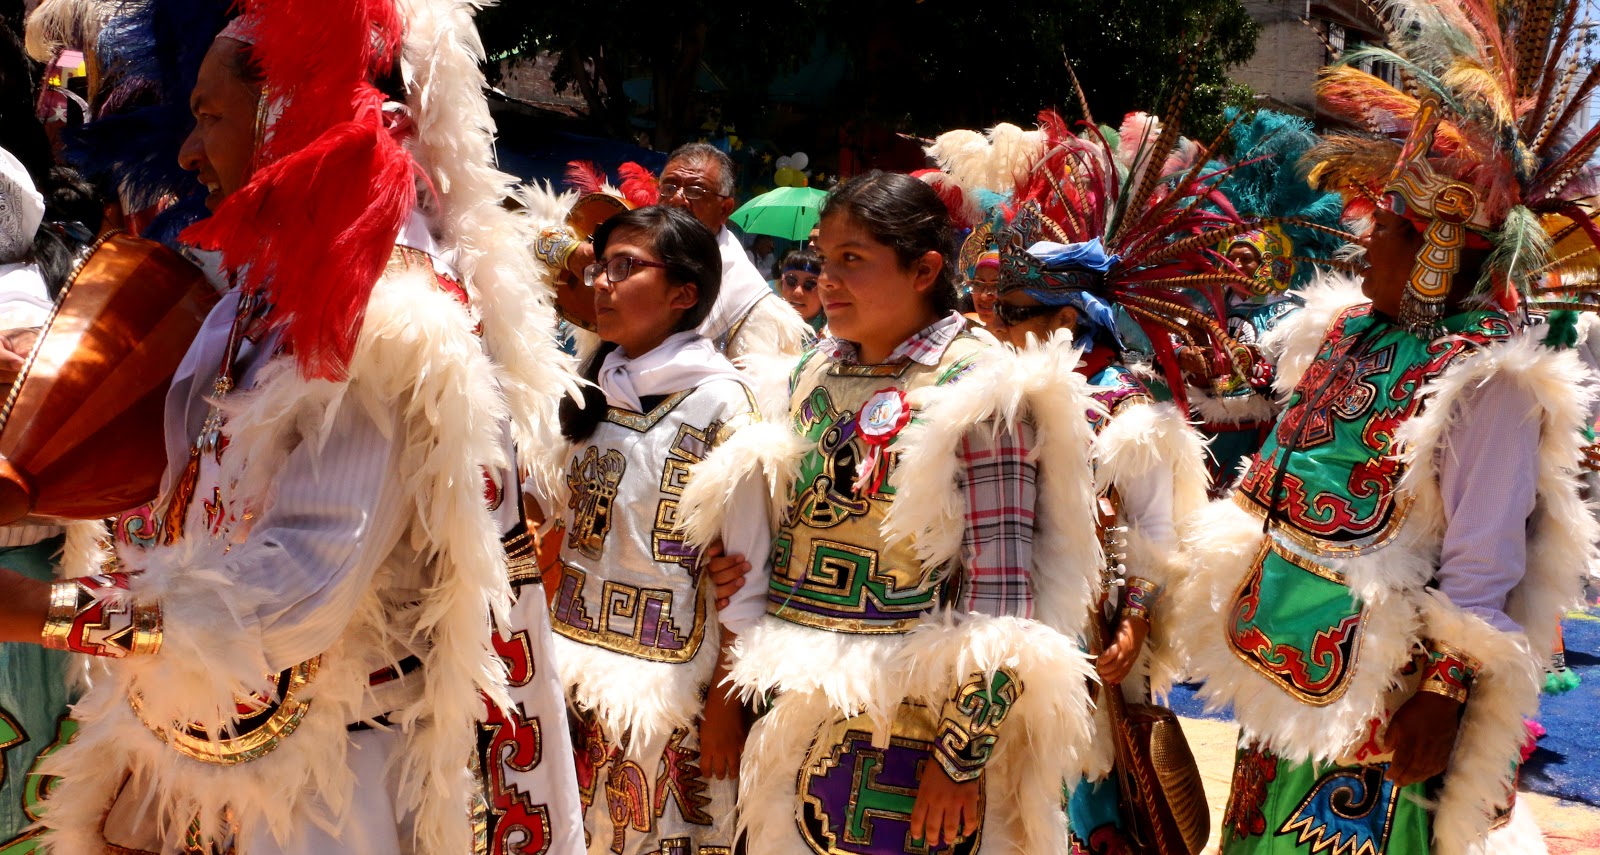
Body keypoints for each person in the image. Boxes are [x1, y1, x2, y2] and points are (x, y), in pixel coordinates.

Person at [0, 1, 583, 851]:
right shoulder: (256, 297)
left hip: (335, 793)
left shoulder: (385, 319)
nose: (188, 152)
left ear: (289, 120)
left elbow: (288, 601)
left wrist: (42, 609)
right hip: (219, 761)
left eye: (207, 117)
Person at [1173, 5, 1600, 846]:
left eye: (1390, 230)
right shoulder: (1352, 328)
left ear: (1442, 247)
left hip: (1374, 695)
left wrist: (1442, 697)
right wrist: (1217, 371)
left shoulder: (1489, 380)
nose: (1365, 245)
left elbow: (1483, 556)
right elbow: (1292, 415)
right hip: (1275, 659)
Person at [679, 170, 1104, 855]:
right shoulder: (808, 373)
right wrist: (732, 568)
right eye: (822, 258)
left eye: (853, 259)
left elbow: (1005, 601)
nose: (827, 279)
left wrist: (958, 760)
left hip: (921, 726)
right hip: (795, 705)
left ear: (924, 268)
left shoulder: (982, 390)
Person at [541, 204, 766, 855]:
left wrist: (726, 704)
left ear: (683, 293)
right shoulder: (587, 390)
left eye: (626, 267)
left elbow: (747, 569)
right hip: (574, 667)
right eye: (601, 266)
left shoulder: (726, 403)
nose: (604, 283)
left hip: (677, 691)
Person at [776, 247, 824, 333]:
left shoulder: (838, 335)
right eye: (791, 280)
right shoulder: (762, 325)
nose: (798, 292)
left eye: (810, 284)